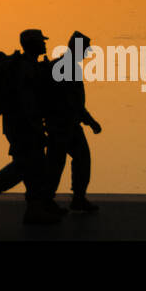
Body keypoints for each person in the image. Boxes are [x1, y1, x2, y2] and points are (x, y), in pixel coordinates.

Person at [0, 29, 63, 225]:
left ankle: (33, 209)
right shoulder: (24, 69)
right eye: (41, 41)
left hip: (21, 125)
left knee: (33, 166)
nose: (45, 44)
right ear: (32, 44)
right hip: (23, 127)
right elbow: (25, 102)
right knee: (25, 166)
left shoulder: (28, 65)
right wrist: (36, 128)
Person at [42, 31, 102, 213]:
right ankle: (50, 201)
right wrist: (91, 122)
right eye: (85, 49)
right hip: (63, 125)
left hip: (64, 125)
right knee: (58, 163)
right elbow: (72, 102)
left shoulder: (64, 65)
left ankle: (71, 199)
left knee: (65, 161)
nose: (87, 53)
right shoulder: (67, 67)